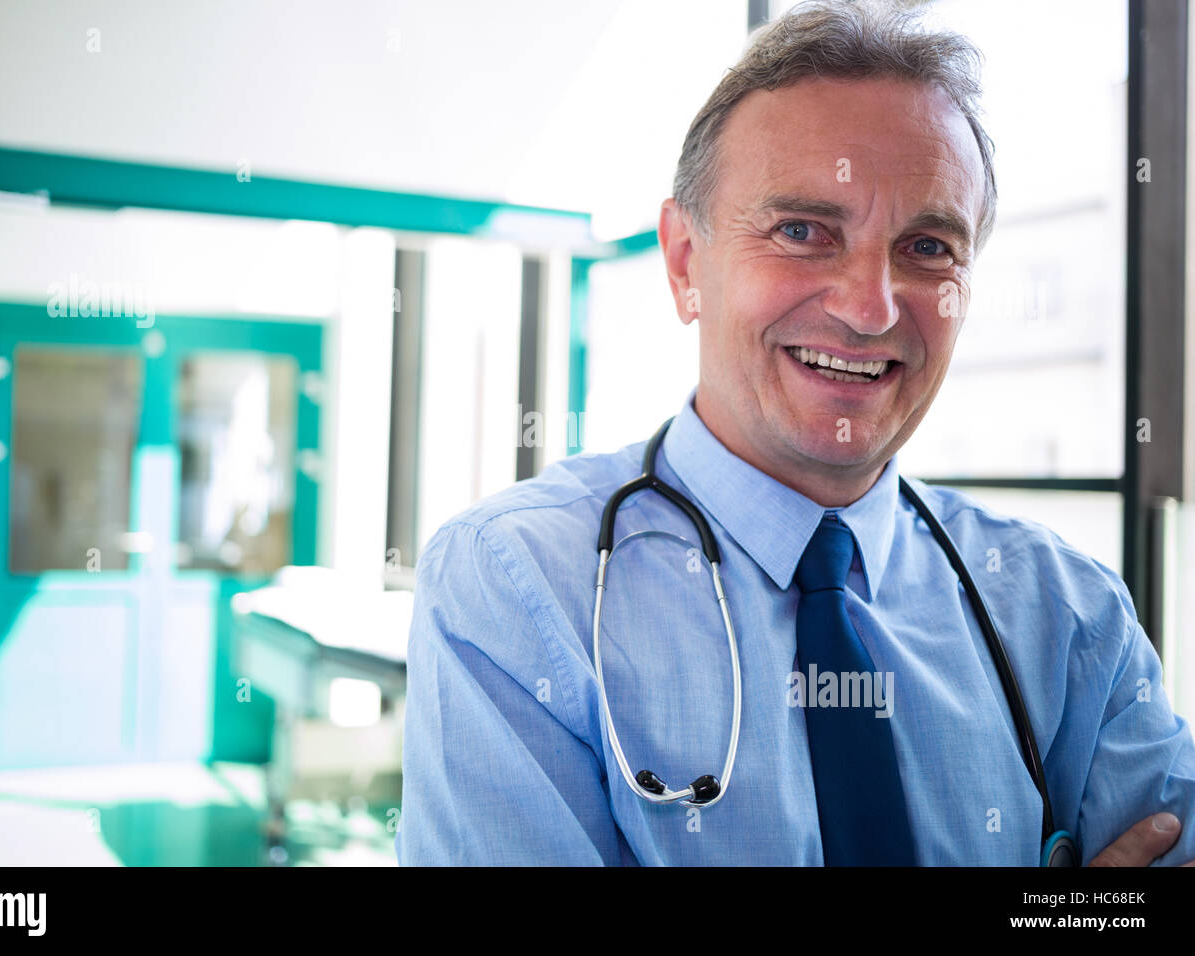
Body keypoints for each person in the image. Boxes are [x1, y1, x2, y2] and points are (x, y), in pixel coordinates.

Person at [394, 0, 1195, 865]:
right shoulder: (517, 590)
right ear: (685, 261)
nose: (870, 307)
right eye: (803, 232)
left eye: (927, 248)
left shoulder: (1067, 615)